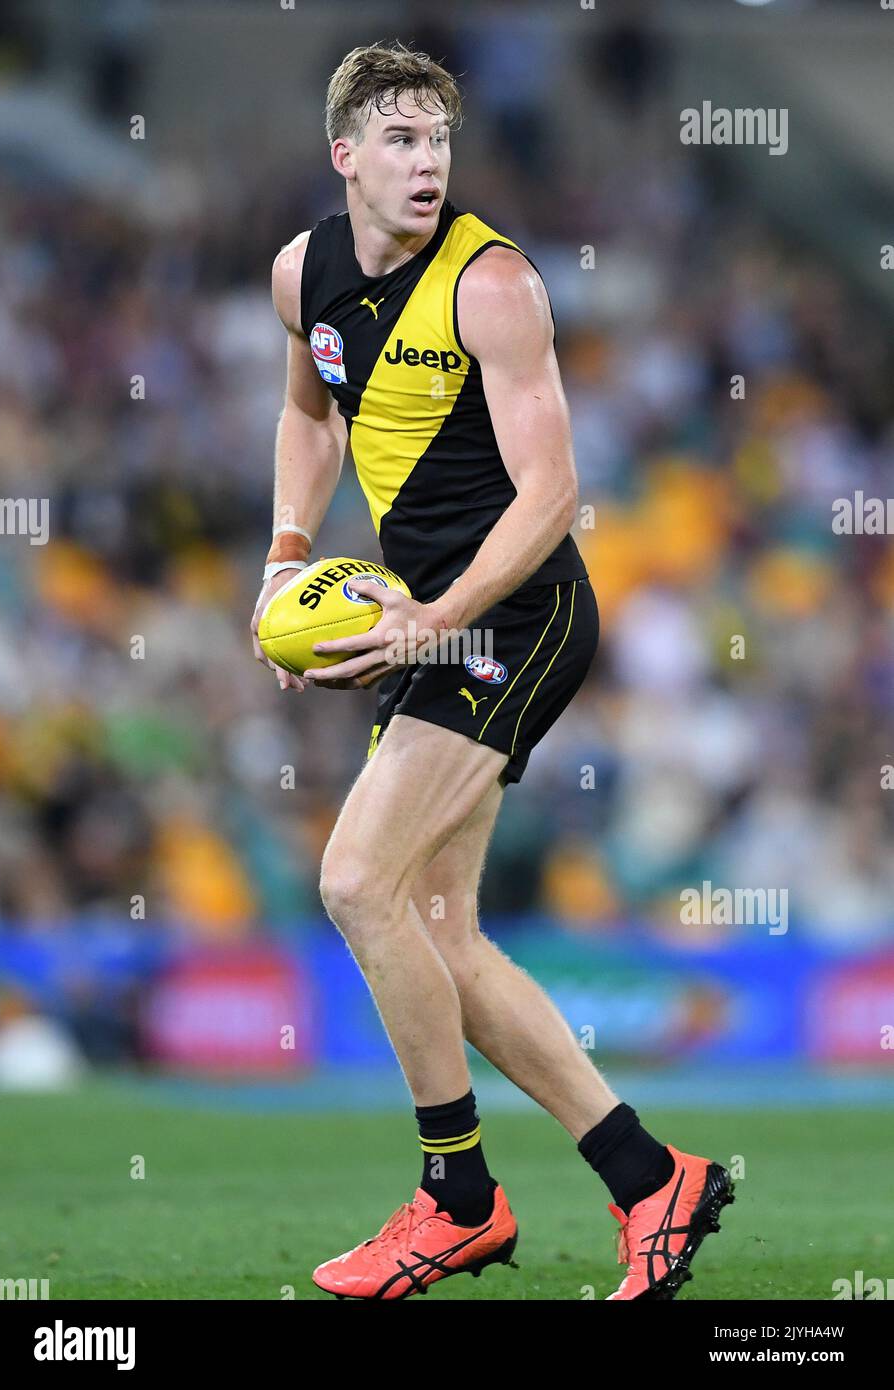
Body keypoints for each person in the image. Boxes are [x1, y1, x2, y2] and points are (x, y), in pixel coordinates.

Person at [250, 40, 732, 1301]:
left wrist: (437, 618)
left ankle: (457, 1197)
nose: (426, 163)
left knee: (357, 880)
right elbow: (310, 414)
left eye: (440, 141)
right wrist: (288, 557)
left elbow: (555, 494)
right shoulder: (305, 274)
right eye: (400, 141)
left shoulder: (493, 283)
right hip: (428, 621)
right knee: (438, 929)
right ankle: (649, 1179)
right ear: (343, 155)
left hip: (514, 619)